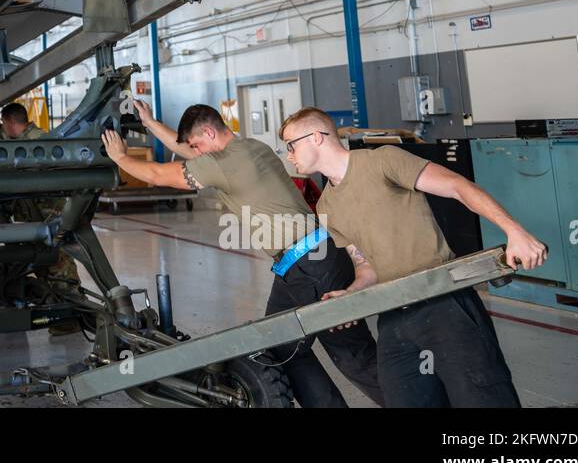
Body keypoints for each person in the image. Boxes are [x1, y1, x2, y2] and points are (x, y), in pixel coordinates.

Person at [102, 102, 384, 407]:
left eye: (197, 144)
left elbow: (157, 174)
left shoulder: (221, 165)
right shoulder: (249, 147)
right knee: (278, 347)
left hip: (312, 266)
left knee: (355, 358)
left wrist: (120, 157)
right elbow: (189, 152)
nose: (195, 151)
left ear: (209, 132)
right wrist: (150, 123)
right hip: (303, 263)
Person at [279, 106, 547, 407]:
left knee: (482, 397)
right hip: (394, 316)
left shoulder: (383, 161)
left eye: (291, 145)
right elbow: (366, 265)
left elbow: (458, 187)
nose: (289, 154)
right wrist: (350, 294)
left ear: (316, 137)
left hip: (444, 303)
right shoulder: (327, 205)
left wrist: (515, 231)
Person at [0, 102, 81, 333]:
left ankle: (71, 316)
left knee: (59, 261)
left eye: (4, 124)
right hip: (38, 213)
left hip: (49, 213)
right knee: (46, 262)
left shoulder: (37, 140)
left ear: (10, 122)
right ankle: (58, 312)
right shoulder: (26, 140)